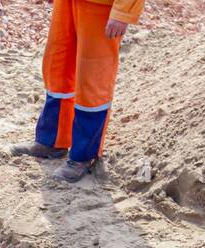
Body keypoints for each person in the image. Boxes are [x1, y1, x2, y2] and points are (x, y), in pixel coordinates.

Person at [10, 0, 144, 182]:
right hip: (67, 4)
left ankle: (84, 156)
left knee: (93, 79)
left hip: (101, 7)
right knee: (58, 69)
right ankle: (52, 141)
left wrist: (123, 12)